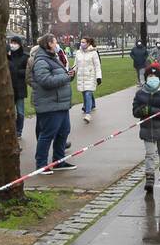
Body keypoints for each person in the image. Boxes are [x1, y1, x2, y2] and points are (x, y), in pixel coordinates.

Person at [31, 33, 77, 173]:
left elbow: (60, 76)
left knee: (63, 132)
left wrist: (69, 75)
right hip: (50, 104)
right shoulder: (41, 61)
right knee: (47, 134)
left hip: (61, 103)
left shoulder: (53, 58)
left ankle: (59, 161)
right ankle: (41, 165)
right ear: (49, 44)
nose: (58, 44)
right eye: (55, 42)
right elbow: (45, 81)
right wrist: (65, 76)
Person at [133, 61, 160, 194]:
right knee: (150, 154)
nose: (152, 78)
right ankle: (149, 178)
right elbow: (135, 111)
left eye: (155, 76)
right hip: (147, 129)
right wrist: (142, 111)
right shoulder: (140, 94)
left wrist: (151, 110)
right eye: (149, 76)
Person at [74, 36, 103, 123]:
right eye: (81, 42)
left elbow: (97, 65)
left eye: (84, 42)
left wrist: (99, 77)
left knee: (88, 93)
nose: (82, 43)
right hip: (81, 77)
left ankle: (88, 114)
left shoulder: (93, 53)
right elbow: (76, 65)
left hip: (90, 76)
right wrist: (72, 72)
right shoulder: (78, 53)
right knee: (85, 94)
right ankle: (92, 104)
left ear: (88, 43)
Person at [8, 35, 29, 150]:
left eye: (15, 43)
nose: (13, 45)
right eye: (11, 42)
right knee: (10, 111)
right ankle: (11, 130)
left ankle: (19, 130)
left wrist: (16, 72)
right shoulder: (7, 56)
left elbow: (28, 71)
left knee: (20, 111)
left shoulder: (25, 57)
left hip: (20, 87)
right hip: (9, 87)